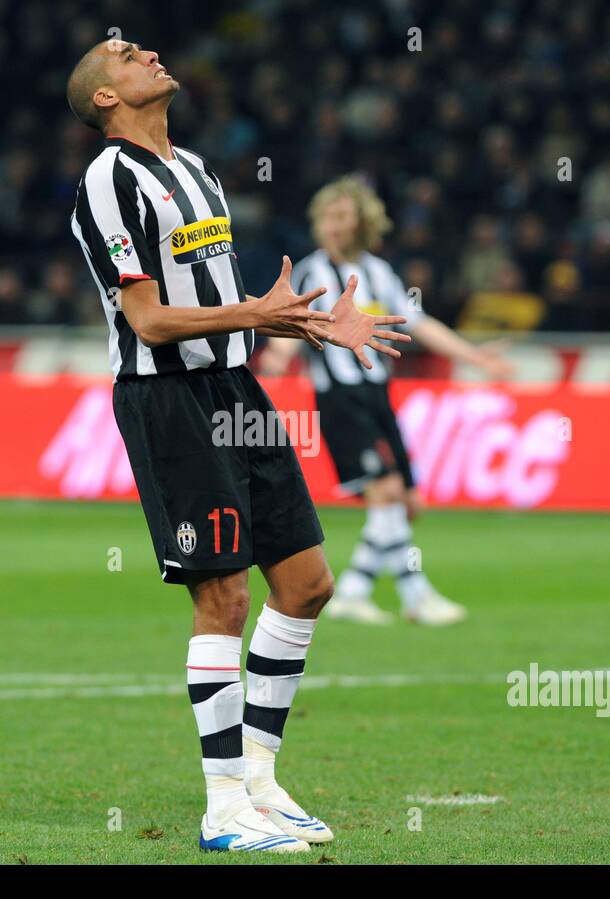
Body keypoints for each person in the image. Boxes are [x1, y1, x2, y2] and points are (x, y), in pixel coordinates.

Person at [67, 39, 410, 853]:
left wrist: (310, 322)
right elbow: (148, 320)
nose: (146, 52)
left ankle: (259, 778)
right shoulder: (109, 180)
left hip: (233, 387)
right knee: (221, 596)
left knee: (308, 581)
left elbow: (222, 298)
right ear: (106, 98)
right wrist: (260, 314)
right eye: (124, 54)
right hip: (166, 397)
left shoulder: (194, 166)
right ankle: (223, 805)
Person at [260, 176, 512, 625]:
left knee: (409, 501)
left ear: (362, 222)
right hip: (339, 397)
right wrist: (279, 354)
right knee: (387, 491)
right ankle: (416, 595)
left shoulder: (378, 272)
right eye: (326, 217)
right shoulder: (309, 270)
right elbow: (289, 320)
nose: (332, 226)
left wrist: (475, 357)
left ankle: (356, 589)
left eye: (342, 216)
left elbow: (419, 322)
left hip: (378, 395)